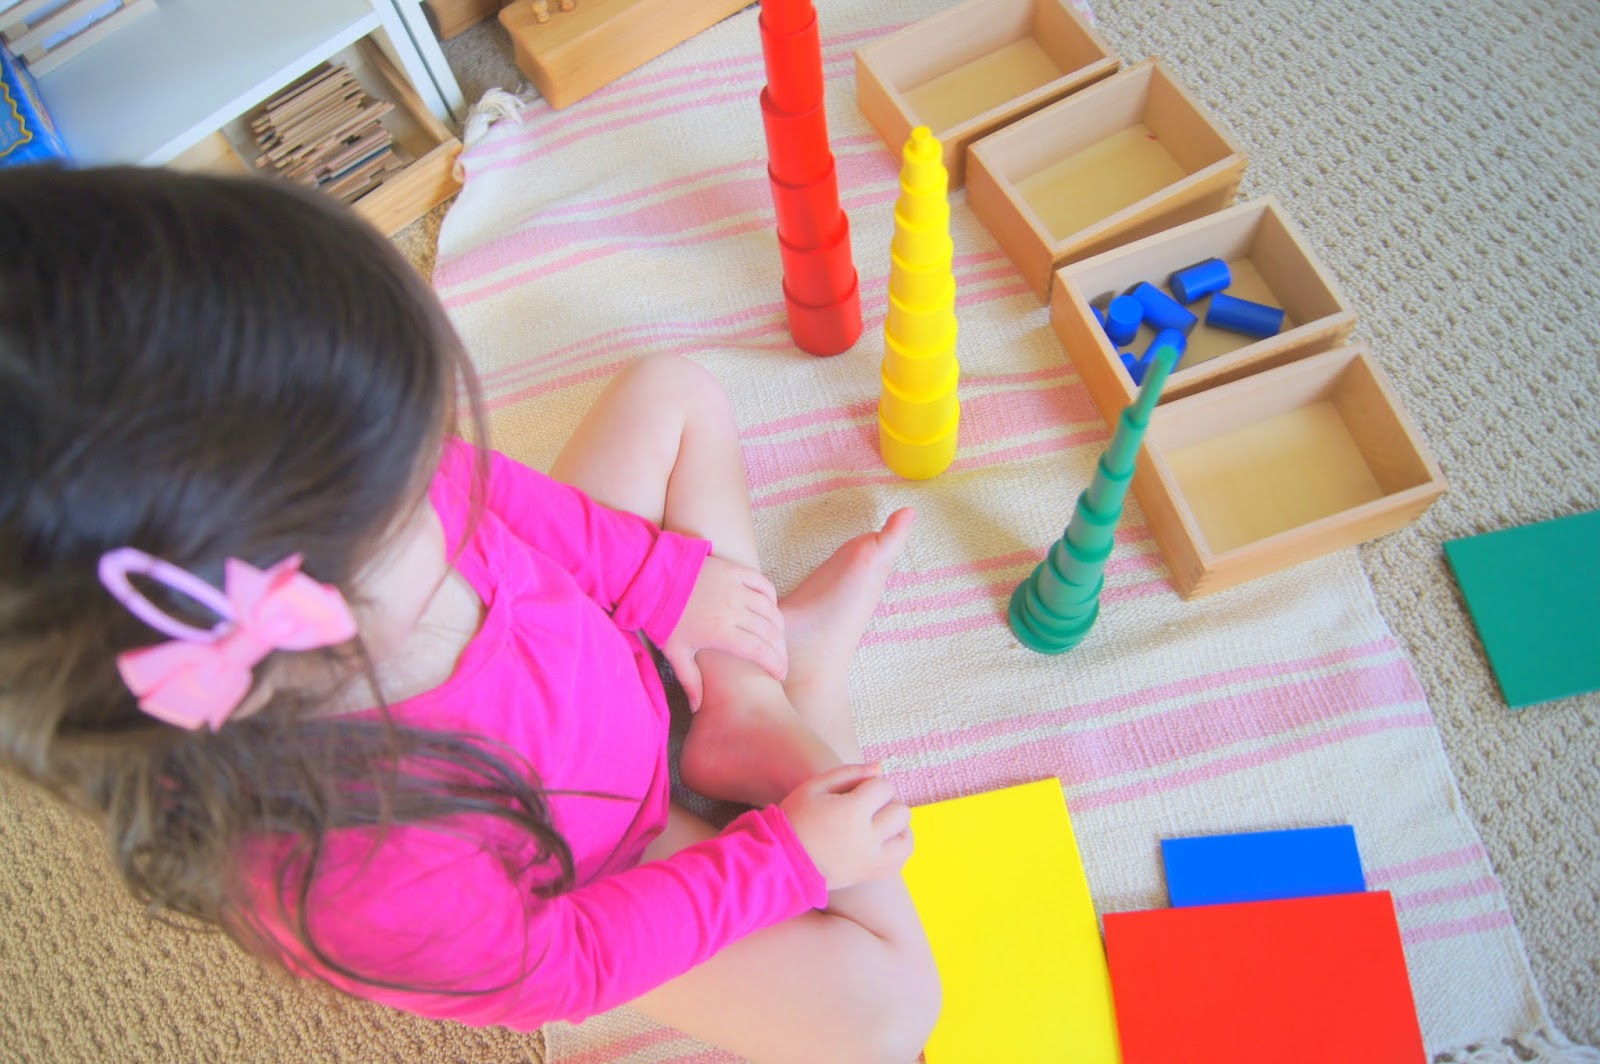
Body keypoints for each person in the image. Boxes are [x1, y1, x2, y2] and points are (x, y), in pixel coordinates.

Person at [0, 166, 940, 1062]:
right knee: (890, 1014)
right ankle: (803, 679)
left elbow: (506, 498)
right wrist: (785, 863)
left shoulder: (353, 474)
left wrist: (660, 583)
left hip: (595, 650)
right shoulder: (348, 873)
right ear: (284, 618)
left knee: (674, 392)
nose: (440, 470)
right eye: (410, 490)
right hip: (610, 849)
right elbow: (569, 962)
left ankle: (741, 700)